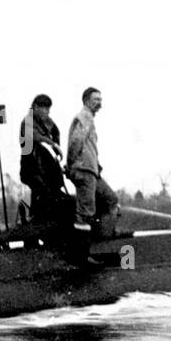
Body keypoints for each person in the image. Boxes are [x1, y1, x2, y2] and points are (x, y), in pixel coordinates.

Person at [65, 86, 118, 235]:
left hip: (91, 169)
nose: (99, 103)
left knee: (110, 199)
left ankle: (104, 238)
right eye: (96, 100)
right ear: (86, 101)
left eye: (100, 100)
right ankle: (85, 252)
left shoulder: (88, 118)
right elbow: (76, 141)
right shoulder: (84, 117)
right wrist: (72, 164)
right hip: (84, 170)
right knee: (85, 213)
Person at [19, 93, 68, 226]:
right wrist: (53, 145)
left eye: (48, 109)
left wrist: (56, 145)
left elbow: (56, 131)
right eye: (45, 108)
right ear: (35, 107)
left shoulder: (46, 121)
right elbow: (36, 137)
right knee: (43, 194)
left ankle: (46, 224)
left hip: (46, 170)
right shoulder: (27, 122)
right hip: (32, 169)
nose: (48, 112)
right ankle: (35, 224)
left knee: (54, 196)